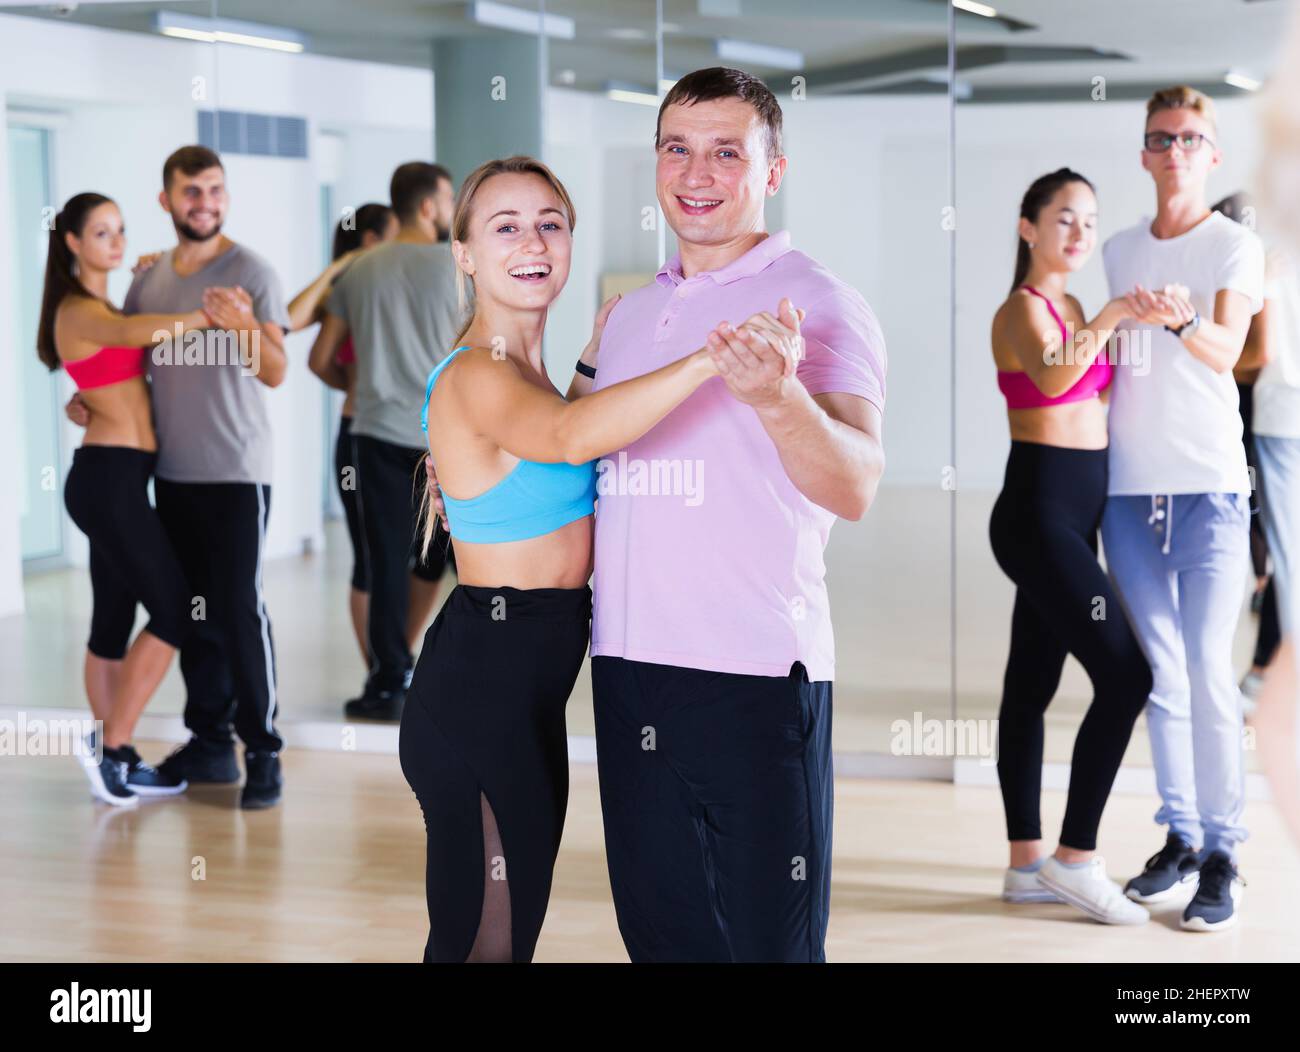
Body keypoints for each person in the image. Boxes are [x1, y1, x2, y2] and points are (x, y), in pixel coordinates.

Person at [435, 68, 883, 963]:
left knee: (769, 948)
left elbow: (856, 484)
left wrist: (782, 398)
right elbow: (562, 443)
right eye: (677, 148)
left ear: (773, 168)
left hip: (755, 675)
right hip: (628, 674)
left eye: (727, 151)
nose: (698, 172)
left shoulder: (821, 302)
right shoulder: (632, 316)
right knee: (662, 939)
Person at [401, 154, 771, 963]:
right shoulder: (474, 373)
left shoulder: (523, 372)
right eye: (505, 227)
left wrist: (593, 357)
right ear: (464, 254)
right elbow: (570, 439)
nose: (532, 241)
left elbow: (549, 442)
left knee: (504, 939)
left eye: (550, 224)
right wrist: (717, 358)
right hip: (478, 704)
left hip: (527, 703)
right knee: (479, 945)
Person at [68, 145, 292, 809]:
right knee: (194, 617)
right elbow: (126, 364)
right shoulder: (148, 280)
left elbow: (276, 371)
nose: (206, 204)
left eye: (216, 191)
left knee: (239, 612)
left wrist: (246, 325)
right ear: (166, 201)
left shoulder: (251, 271)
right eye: (192, 193)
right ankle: (210, 744)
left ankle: (265, 753)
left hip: (234, 472)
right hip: (169, 474)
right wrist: (87, 401)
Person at [1100, 87, 1264, 931]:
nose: (1173, 152)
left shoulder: (1236, 246)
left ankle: (1227, 853)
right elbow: (1097, 362)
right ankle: (1184, 838)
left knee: (1206, 669)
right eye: (1159, 138)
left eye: (1189, 139)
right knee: (1161, 675)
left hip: (1211, 491)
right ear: (1144, 153)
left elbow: (1229, 351)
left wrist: (1181, 320)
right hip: (1129, 493)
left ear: (1212, 155)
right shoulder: (1119, 248)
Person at [988, 169, 1153, 924]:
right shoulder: (1021, 310)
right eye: (1064, 219)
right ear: (1028, 228)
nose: (1081, 234)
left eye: (1090, 221)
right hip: (1037, 515)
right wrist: (1117, 312)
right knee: (1125, 676)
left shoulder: (1076, 306)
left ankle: (1025, 866)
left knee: (1030, 687)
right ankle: (1075, 858)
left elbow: (1100, 393)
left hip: (1074, 515)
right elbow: (1057, 379)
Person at [40, 192, 239, 806]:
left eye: (120, 230)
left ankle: (116, 755)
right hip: (108, 481)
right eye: (102, 233)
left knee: (110, 623)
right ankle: (111, 747)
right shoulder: (78, 309)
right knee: (177, 611)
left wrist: (150, 275)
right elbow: (132, 332)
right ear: (72, 242)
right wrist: (209, 318)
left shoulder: (99, 301)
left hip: (117, 479)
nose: (116, 241)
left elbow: (121, 350)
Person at [311, 163, 460, 721]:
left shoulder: (360, 269)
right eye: (448, 199)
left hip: (372, 435)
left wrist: (363, 385)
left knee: (382, 561)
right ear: (429, 206)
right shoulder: (457, 266)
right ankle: (428, 670)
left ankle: (386, 681)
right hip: (439, 436)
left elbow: (321, 358)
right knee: (436, 558)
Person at [295, 203, 399, 661]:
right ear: (373, 240)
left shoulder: (392, 284)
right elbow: (304, 338)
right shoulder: (350, 285)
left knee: (409, 560)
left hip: (400, 433)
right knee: (370, 562)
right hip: (360, 433)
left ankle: (395, 660)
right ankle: (378, 666)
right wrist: (355, 385)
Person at [1210, 193, 1279, 712]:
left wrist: (1211, 356)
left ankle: (1261, 669)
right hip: (1247, 416)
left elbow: (1257, 355)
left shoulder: (1262, 272)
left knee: (1271, 540)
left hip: (1263, 417)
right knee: (1260, 536)